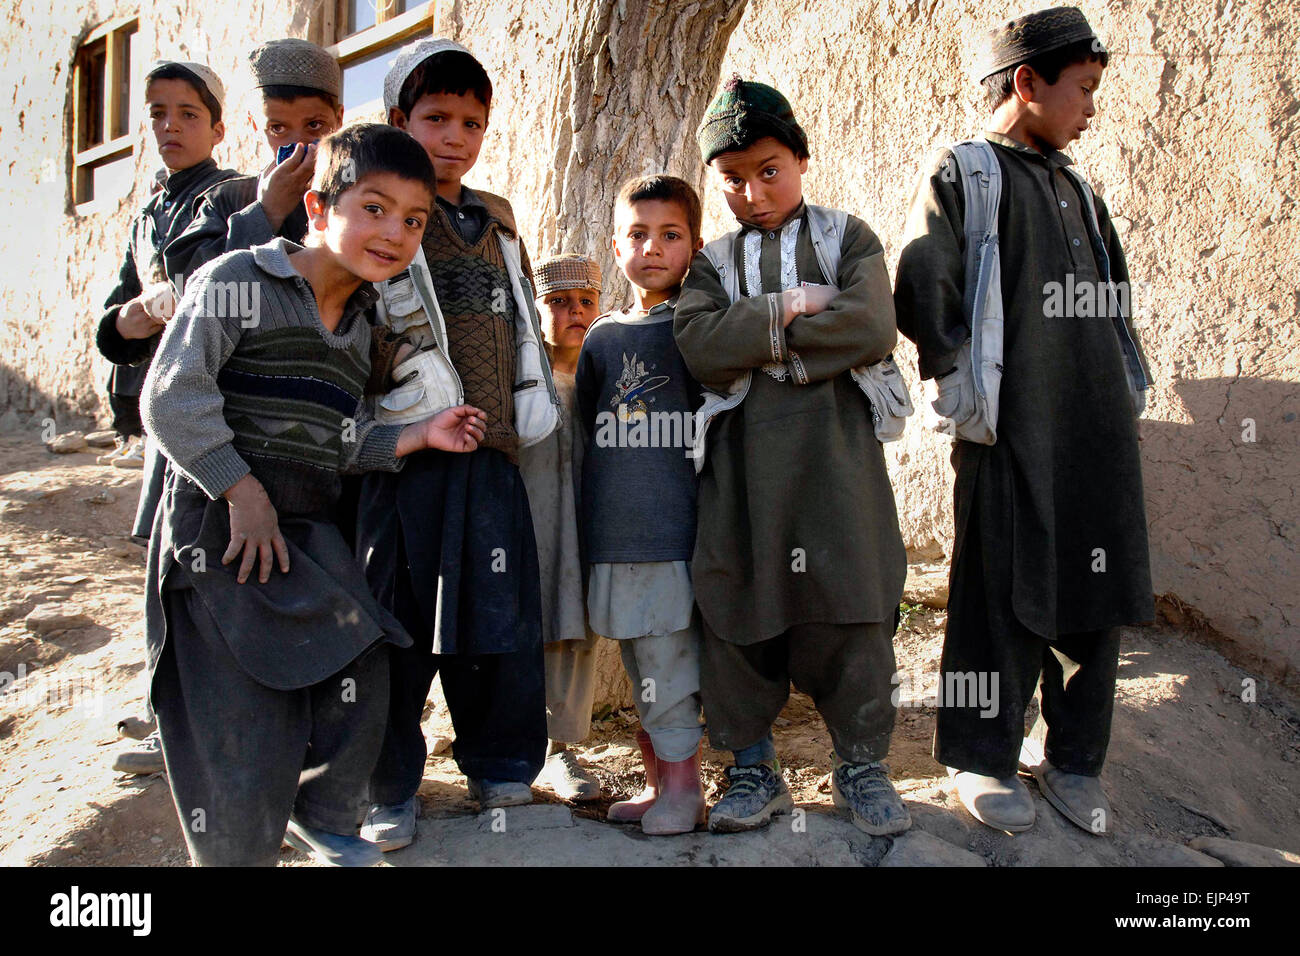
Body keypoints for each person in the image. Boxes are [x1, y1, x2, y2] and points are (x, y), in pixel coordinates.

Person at [140, 123, 486, 866]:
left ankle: (322, 815)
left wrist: (416, 435)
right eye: (375, 208)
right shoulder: (238, 280)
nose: (394, 233)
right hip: (218, 531)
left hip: (300, 529)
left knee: (360, 656)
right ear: (319, 208)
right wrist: (241, 492)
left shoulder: (357, 328)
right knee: (238, 714)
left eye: (414, 221)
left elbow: (334, 440)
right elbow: (171, 398)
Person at [893, 6, 1153, 835]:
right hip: (1010, 427)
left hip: (1094, 429)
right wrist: (962, 386)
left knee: (1095, 589)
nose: (1091, 108)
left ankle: (1074, 760)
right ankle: (983, 756)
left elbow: (1112, 301)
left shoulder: (1080, 189)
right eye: (1084, 88)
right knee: (999, 587)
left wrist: (1119, 392)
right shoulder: (967, 173)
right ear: (1027, 82)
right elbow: (922, 286)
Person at [674, 77, 911, 836]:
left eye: (769, 170)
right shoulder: (710, 263)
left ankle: (862, 767)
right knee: (738, 604)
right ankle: (752, 769)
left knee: (855, 603)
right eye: (732, 178)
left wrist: (756, 338)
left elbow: (870, 326)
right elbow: (699, 346)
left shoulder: (849, 238)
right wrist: (792, 307)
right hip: (742, 474)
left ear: (802, 161)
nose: (753, 193)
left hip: (838, 467)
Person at [358, 38, 559, 851]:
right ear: (397, 119)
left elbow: (521, 321)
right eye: (435, 117)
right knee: (396, 626)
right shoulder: (384, 219)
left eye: (471, 123)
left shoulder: (498, 220)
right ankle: (386, 784)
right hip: (408, 459)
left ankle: (502, 763)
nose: (454, 136)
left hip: (492, 455)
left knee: (496, 618)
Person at [94, 59, 241, 776]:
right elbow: (119, 315)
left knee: (197, 566)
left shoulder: (229, 199)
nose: (170, 126)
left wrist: (168, 302)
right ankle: (166, 706)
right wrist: (134, 313)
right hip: (165, 408)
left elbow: (216, 291)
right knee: (164, 561)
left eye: (188, 113)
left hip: (212, 407)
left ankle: (192, 725)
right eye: (157, 112)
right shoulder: (151, 209)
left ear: (218, 127)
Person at [577, 176, 708, 834]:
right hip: (615, 538)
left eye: (670, 234)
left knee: (669, 668)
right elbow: (586, 433)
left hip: (671, 536)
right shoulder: (601, 339)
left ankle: (686, 791)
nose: (651, 248)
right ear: (616, 246)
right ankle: (660, 787)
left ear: (696, 246)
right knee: (639, 666)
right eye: (637, 234)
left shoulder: (698, 330)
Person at [522, 253, 605, 802]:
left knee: (576, 628)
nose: (574, 311)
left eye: (585, 302)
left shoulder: (608, 378)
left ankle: (561, 750)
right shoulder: (520, 378)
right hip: (528, 528)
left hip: (587, 529)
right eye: (558, 302)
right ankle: (507, 748)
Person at [164, 37, 345, 281]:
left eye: (314, 125)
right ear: (254, 124)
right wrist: (265, 213)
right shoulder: (226, 200)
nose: (299, 144)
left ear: (338, 119)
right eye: (278, 128)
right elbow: (189, 284)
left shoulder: (361, 194)